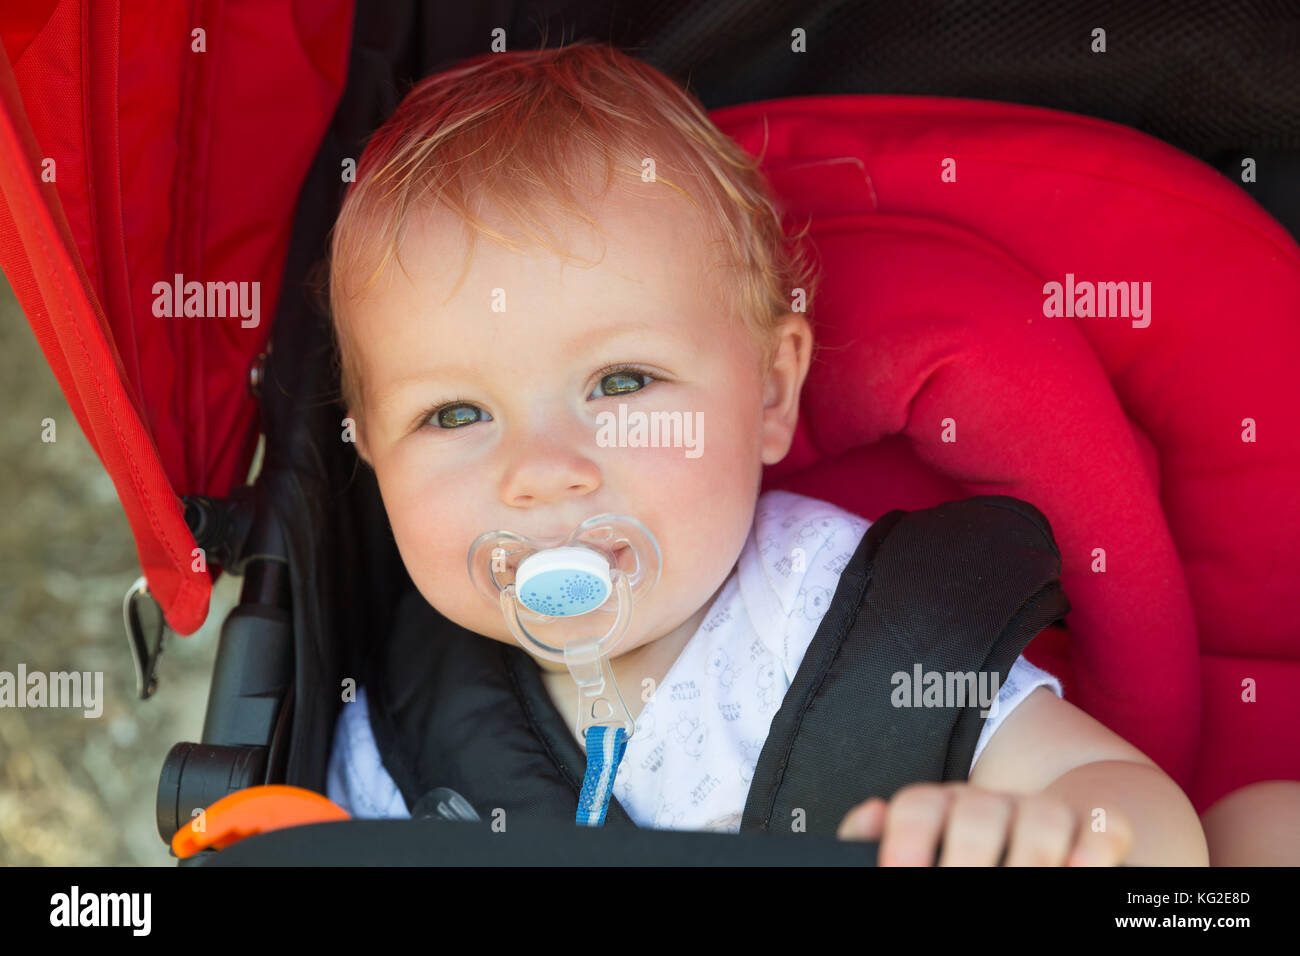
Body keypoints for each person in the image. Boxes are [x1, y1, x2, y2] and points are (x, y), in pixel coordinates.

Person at [322, 41, 1207, 865]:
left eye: (623, 384)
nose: (543, 468)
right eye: (453, 414)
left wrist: (1035, 829)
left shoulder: (831, 613)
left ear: (771, 393)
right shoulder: (399, 729)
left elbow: (1133, 808)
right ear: (370, 457)